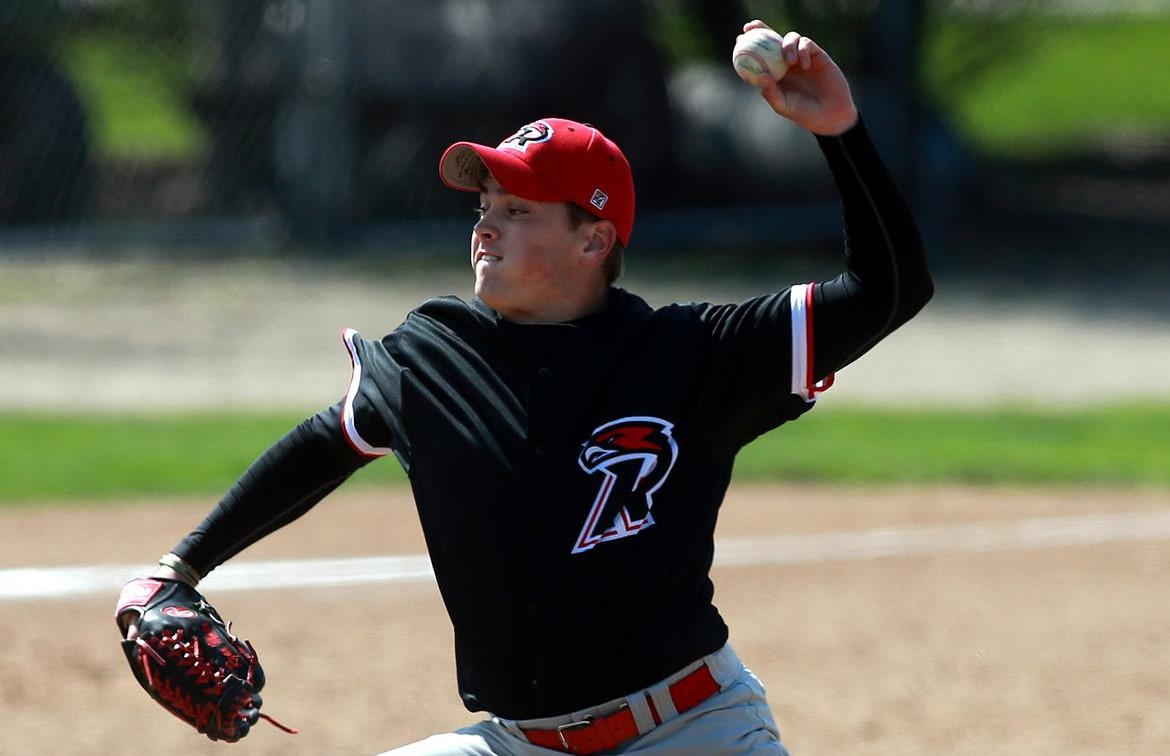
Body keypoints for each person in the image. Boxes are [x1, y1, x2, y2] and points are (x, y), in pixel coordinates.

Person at [117, 20, 932, 755]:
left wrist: (842, 135)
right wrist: (179, 567)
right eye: (484, 203)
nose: (485, 223)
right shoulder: (432, 355)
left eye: (516, 208)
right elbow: (325, 444)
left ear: (594, 238)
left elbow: (889, 290)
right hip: (519, 746)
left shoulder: (693, 354)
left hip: (690, 733)